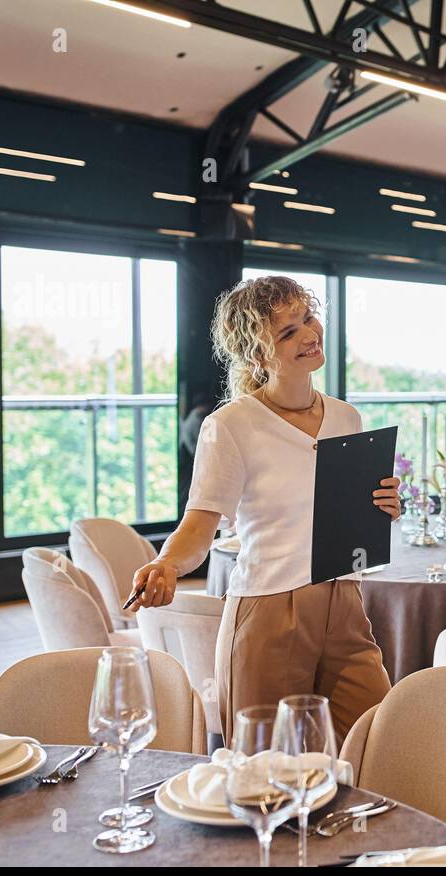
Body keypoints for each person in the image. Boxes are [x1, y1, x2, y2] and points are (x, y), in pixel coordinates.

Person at [127, 275, 401, 743]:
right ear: (257, 355)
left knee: (375, 746)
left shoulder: (347, 418)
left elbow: (347, 514)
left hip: (346, 602)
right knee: (266, 770)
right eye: (287, 331)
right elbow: (200, 523)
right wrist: (167, 562)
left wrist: (385, 506)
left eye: (308, 318)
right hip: (269, 609)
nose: (309, 334)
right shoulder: (230, 426)